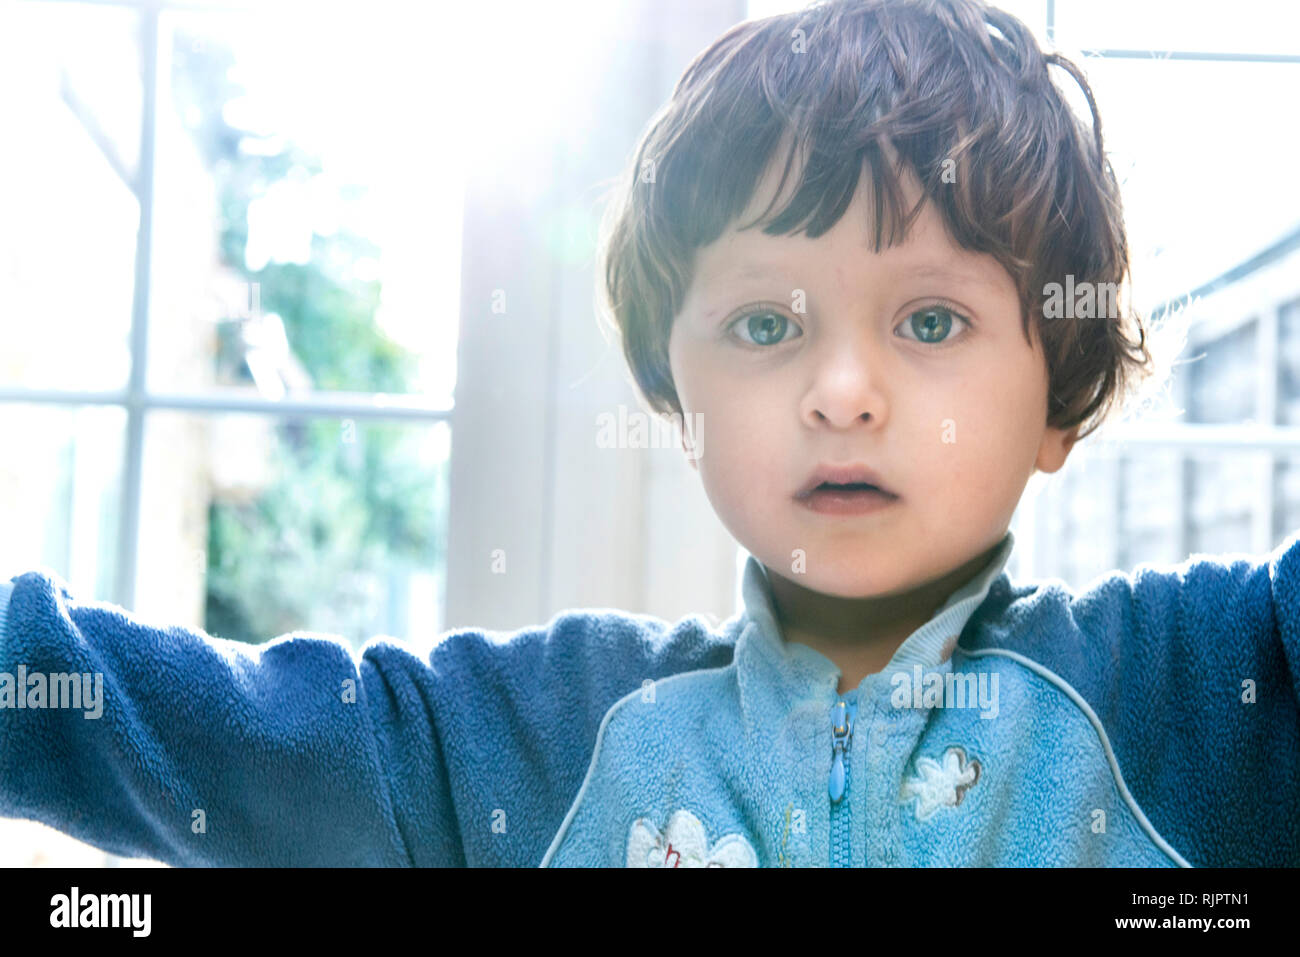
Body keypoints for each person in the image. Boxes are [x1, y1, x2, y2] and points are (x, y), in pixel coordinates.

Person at [1, 0, 1295, 867]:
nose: (843, 391)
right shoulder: (554, 729)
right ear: (675, 398)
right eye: (765, 328)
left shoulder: (1194, 694)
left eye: (934, 322)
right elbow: (214, 733)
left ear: (1057, 394)